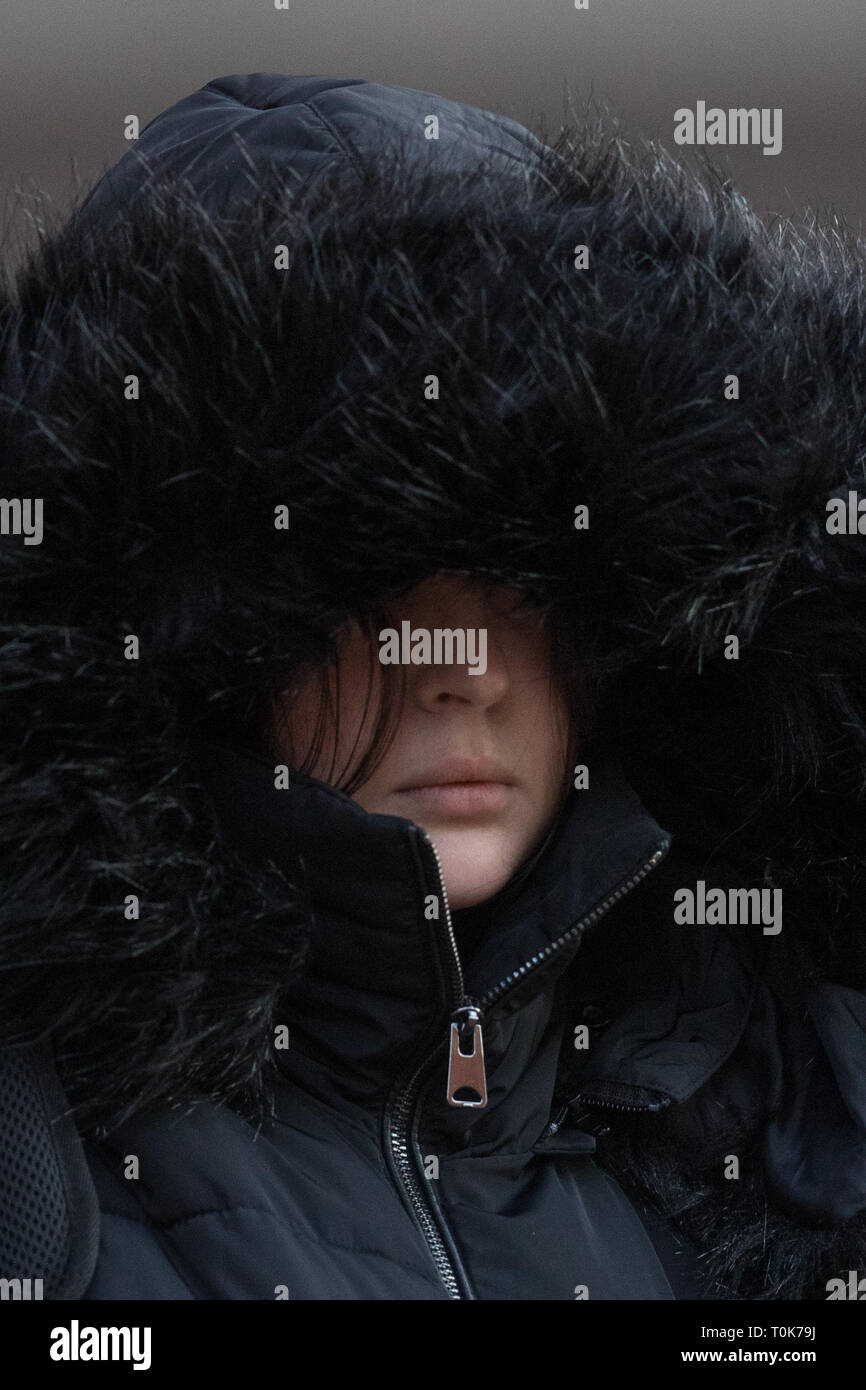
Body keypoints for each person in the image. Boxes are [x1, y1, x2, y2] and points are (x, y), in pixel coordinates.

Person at [1, 72, 864, 1301]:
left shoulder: (780, 1122)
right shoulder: (38, 1180)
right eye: (370, 586)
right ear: (187, 628)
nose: (459, 670)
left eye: (529, 582)